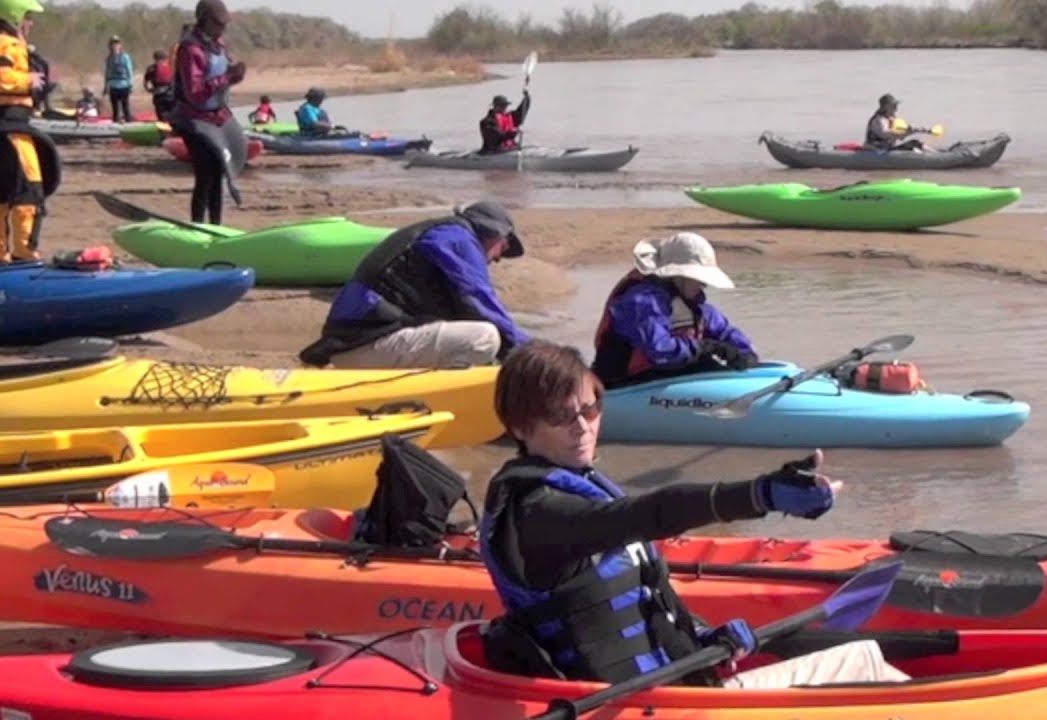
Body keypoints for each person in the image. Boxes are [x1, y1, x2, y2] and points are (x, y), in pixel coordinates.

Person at [479, 340, 910, 688]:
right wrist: (759, 495)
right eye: (561, 416)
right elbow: (650, 512)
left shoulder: (574, 485)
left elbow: (645, 599)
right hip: (636, 707)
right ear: (520, 428)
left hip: (675, 691)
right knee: (862, 661)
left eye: (590, 409)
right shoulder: (537, 514)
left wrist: (704, 635)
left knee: (860, 656)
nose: (582, 426)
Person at [298, 201, 530, 370]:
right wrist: (532, 354)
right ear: (496, 234)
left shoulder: (442, 232)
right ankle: (441, 401)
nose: (499, 258)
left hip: (356, 345)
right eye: (504, 248)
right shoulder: (457, 240)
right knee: (485, 337)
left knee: (474, 336)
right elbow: (481, 304)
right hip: (363, 348)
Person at [592, 232, 757, 389]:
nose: (704, 285)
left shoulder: (694, 304)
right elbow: (661, 351)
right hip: (625, 386)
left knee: (714, 366)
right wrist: (704, 347)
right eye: (699, 279)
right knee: (706, 363)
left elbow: (723, 331)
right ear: (678, 275)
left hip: (662, 379)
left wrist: (744, 353)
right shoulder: (642, 302)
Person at [170, 0, 246, 226]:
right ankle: (197, 225)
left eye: (225, 24)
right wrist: (226, 78)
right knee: (205, 176)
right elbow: (195, 93)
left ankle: (215, 225)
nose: (223, 29)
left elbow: (221, 78)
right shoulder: (190, 49)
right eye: (219, 23)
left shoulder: (219, 44)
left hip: (217, 116)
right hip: (193, 119)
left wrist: (235, 75)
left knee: (219, 174)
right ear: (204, 21)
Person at [0, 0, 59, 264]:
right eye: (27, 17)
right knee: (29, 190)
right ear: (14, 16)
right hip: (11, 130)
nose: (31, 23)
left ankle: (2, 256)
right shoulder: (5, 45)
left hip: (13, 126)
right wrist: (28, 80)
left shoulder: (16, 45)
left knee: (3, 191)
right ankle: (24, 254)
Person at [865, 93, 931, 152]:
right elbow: (885, 134)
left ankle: (937, 155)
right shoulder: (878, 119)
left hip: (888, 149)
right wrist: (903, 132)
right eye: (893, 105)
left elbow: (901, 137)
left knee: (916, 143)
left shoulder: (893, 119)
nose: (896, 107)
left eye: (896, 105)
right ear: (885, 107)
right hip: (876, 150)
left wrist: (913, 131)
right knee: (912, 148)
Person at [102, 34, 134, 123]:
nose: (115, 46)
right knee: (115, 109)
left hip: (124, 85)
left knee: (125, 107)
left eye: (116, 43)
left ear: (120, 45)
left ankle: (129, 123)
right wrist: (105, 86)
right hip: (113, 86)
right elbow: (107, 72)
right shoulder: (109, 58)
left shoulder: (125, 57)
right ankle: (116, 123)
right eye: (112, 44)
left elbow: (129, 70)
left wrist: (131, 84)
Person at [143, 49, 174, 119]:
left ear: (155, 58)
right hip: (170, 95)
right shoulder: (171, 67)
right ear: (165, 59)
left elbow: (145, 82)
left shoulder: (151, 68)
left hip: (158, 95)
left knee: (161, 116)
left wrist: (149, 90)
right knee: (171, 115)